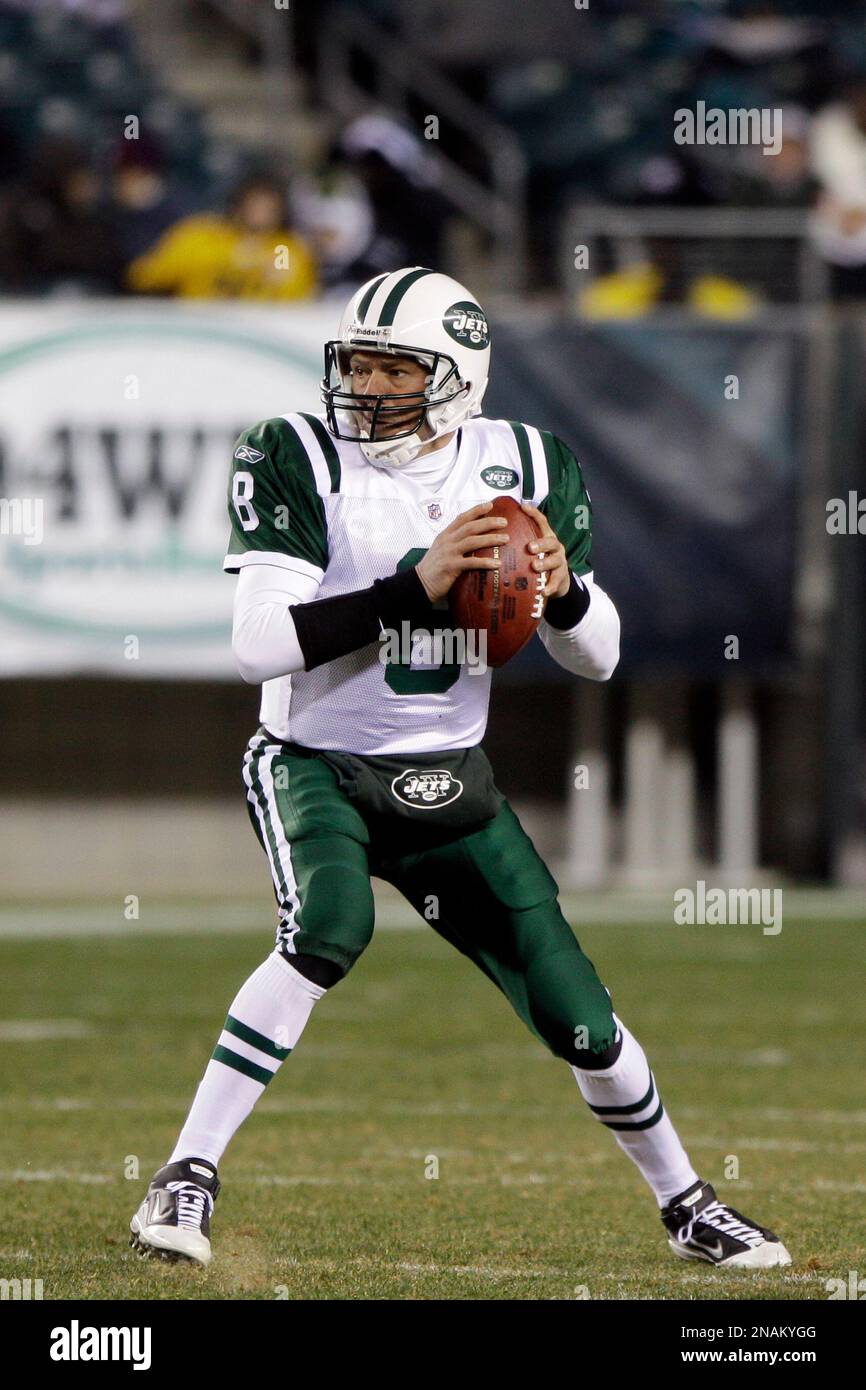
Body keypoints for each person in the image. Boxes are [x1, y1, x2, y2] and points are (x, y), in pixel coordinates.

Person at [129, 267, 791, 1272]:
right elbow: (258, 644)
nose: (368, 385)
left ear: (458, 378)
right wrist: (416, 585)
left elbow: (600, 655)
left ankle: (686, 1202)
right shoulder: (296, 451)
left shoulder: (523, 461)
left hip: (448, 775)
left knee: (577, 1007)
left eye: (396, 367)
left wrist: (561, 594)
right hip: (318, 763)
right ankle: (186, 1173)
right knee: (328, 929)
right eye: (357, 362)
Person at [126, 172, 317, 300]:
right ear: (238, 205)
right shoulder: (202, 236)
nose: (259, 213)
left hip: (260, 341)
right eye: (254, 204)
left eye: (267, 207)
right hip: (201, 332)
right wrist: (210, 263)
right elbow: (143, 276)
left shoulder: (287, 250)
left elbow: (300, 300)